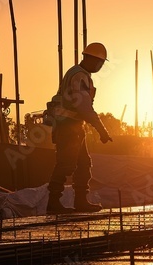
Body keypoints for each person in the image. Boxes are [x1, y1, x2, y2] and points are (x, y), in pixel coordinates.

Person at [46, 42, 112, 213]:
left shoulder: (76, 73)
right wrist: (101, 130)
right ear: (93, 60)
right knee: (66, 164)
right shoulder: (80, 76)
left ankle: (80, 201)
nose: (101, 66)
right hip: (68, 128)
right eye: (101, 63)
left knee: (83, 163)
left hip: (72, 127)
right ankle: (53, 203)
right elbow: (84, 108)